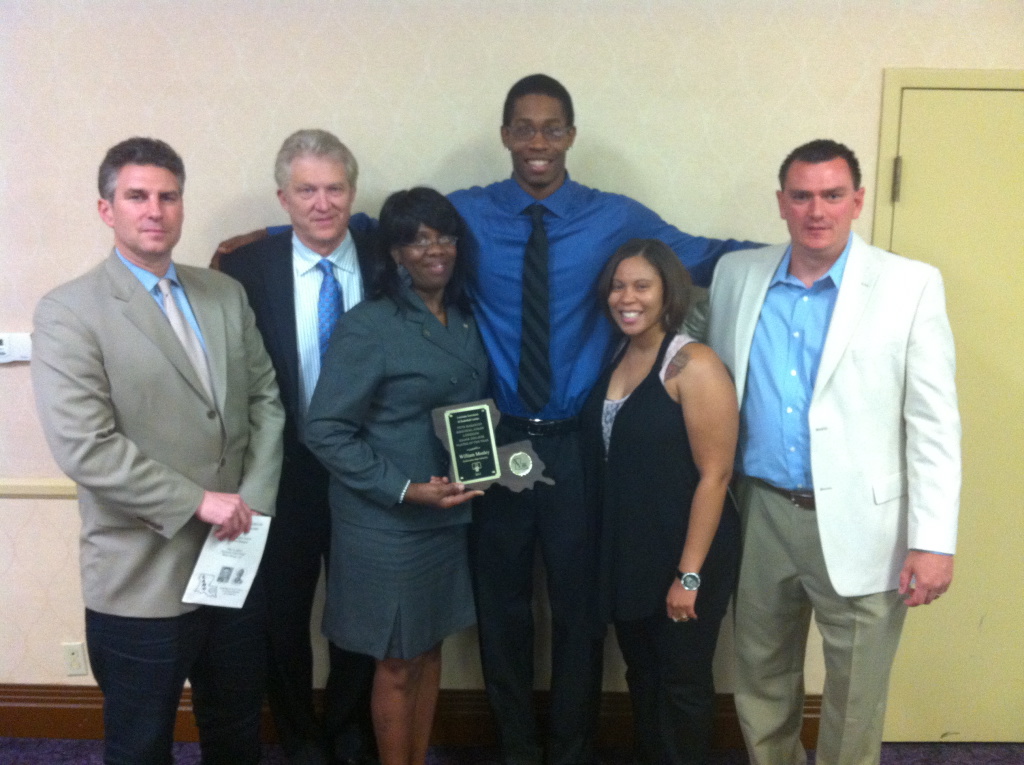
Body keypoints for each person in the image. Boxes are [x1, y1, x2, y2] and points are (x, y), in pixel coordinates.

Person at [213, 74, 758, 765]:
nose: (537, 141)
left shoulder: (614, 217)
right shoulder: (466, 213)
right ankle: (519, 750)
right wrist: (271, 231)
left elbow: (704, 250)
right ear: (506, 136)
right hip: (491, 448)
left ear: (570, 135)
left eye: (552, 127)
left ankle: (570, 749)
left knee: (579, 616)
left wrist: (788, 252)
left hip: (577, 450)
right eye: (523, 127)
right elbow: (386, 226)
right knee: (501, 617)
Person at [702, 139, 961, 765]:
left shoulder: (910, 285)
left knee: (855, 692)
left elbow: (934, 423)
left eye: (833, 195)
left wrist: (934, 540)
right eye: (802, 196)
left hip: (867, 523)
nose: (818, 210)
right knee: (760, 677)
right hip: (760, 510)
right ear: (782, 204)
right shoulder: (738, 276)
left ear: (858, 201)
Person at [31, 137, 284, 764]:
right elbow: (86, 447)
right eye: (136, 195)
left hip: (234, 565)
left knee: (236, 734)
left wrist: (248, 505)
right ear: (105, 209)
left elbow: (266, 402)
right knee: (141, 746)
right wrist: (200, 503)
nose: (155, 210)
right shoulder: (69, 311)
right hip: (141, 577)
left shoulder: (224, 295)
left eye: (168, 196)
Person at [305, 188, 489, 765]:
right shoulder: (370, 326)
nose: (435, 250)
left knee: (429, 649)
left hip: (446, 515)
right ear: (395, 251)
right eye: (417, 239)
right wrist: (404, 488)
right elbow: (325, 429)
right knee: (395, 660)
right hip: (386, 524)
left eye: (444, 236)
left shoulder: (463, 318)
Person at [218, 129, 377, 765]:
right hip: (283, 470)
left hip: (367, 468)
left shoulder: (386, 260)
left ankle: (348, 728)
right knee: (281, 615)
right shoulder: (244, 269)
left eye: (334, 188)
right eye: (306, 190)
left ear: (352, 193)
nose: (322, 203)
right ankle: (299, 737)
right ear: (282, 197)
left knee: (360, 610)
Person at [580, 240, 740, 765]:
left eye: (641, 285)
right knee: (643, 678)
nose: (627, 297)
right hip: (631, 552)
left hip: (686, 553)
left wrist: (688, 575)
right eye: (618, 286)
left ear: (668, 291)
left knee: (682, 684)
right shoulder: (618, 355)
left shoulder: (693, 364)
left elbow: (715, 476)